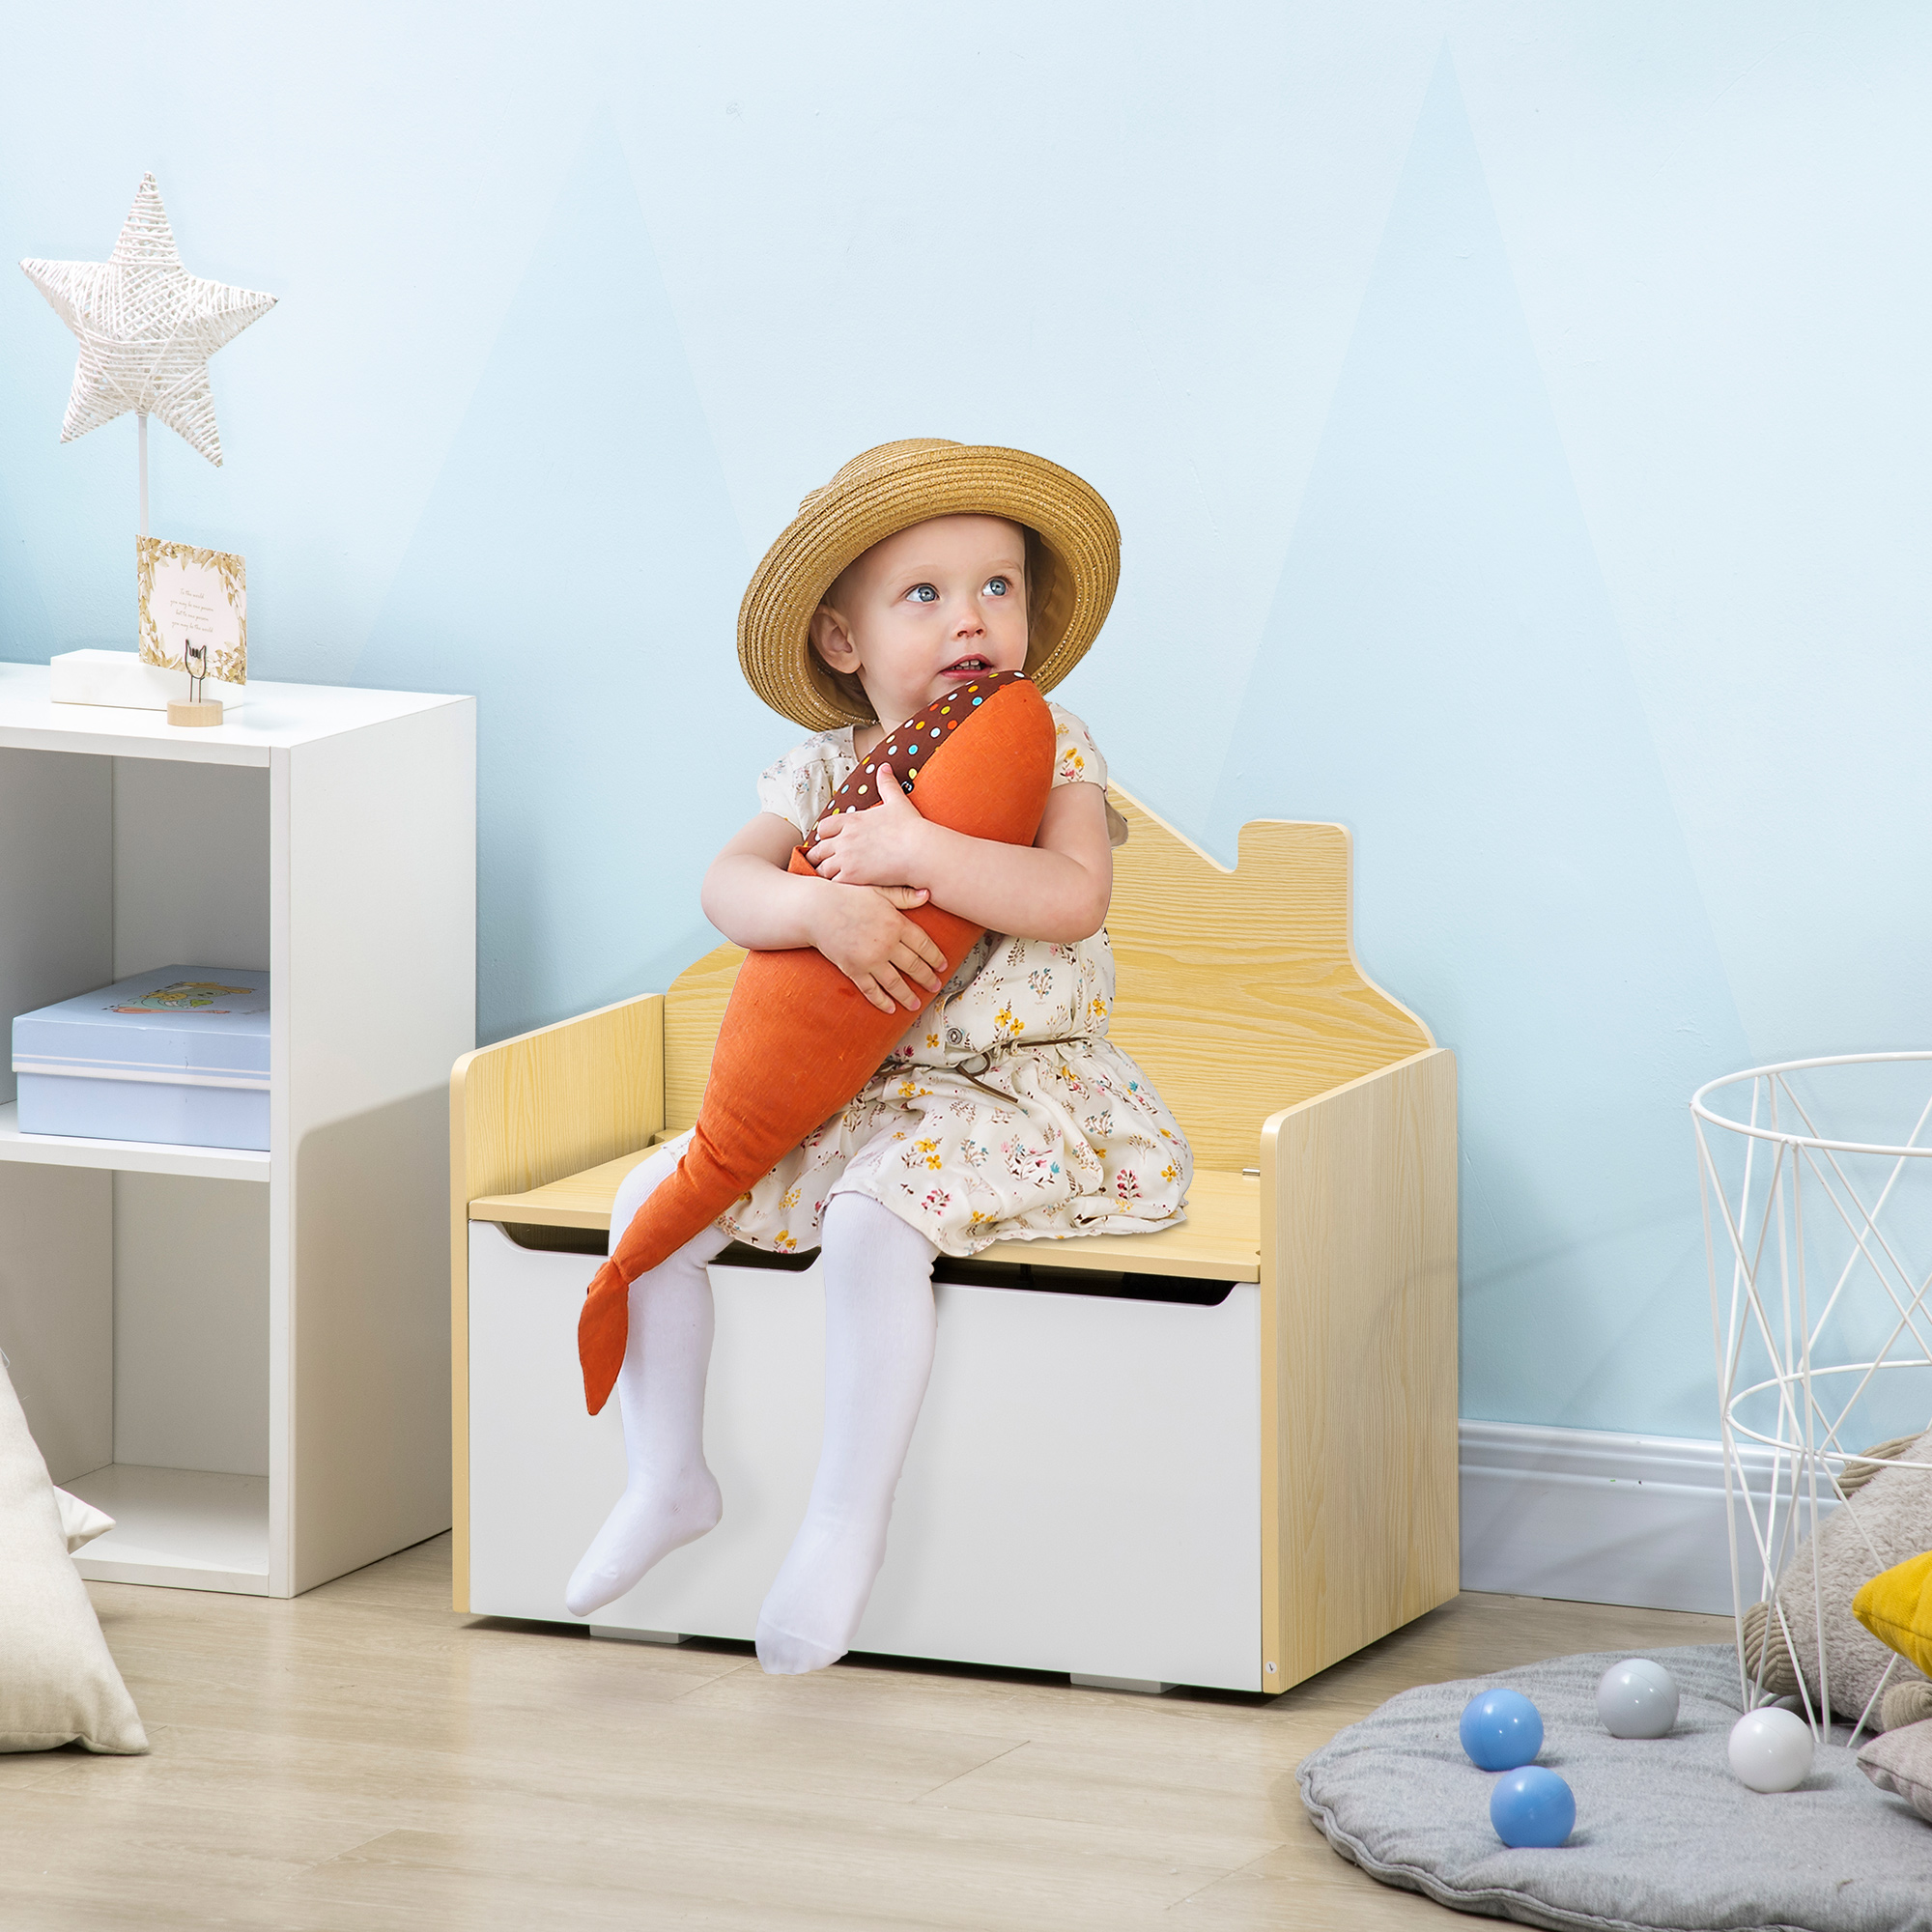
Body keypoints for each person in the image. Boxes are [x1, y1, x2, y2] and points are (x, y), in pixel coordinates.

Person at [565, 440, 1192, 1673]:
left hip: (1016, 1090)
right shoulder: (819, 769)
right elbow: (726, 885)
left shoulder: (1050, 745)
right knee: (648, 1206)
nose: (972, 619)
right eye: (925, 593)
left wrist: (920, 854)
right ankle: (667, 1474)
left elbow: (1069, 894)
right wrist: (818, 909)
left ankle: (845, 1522)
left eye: (998, 587)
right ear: (844, 642)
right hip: (846, 1095)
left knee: (870, 1221)